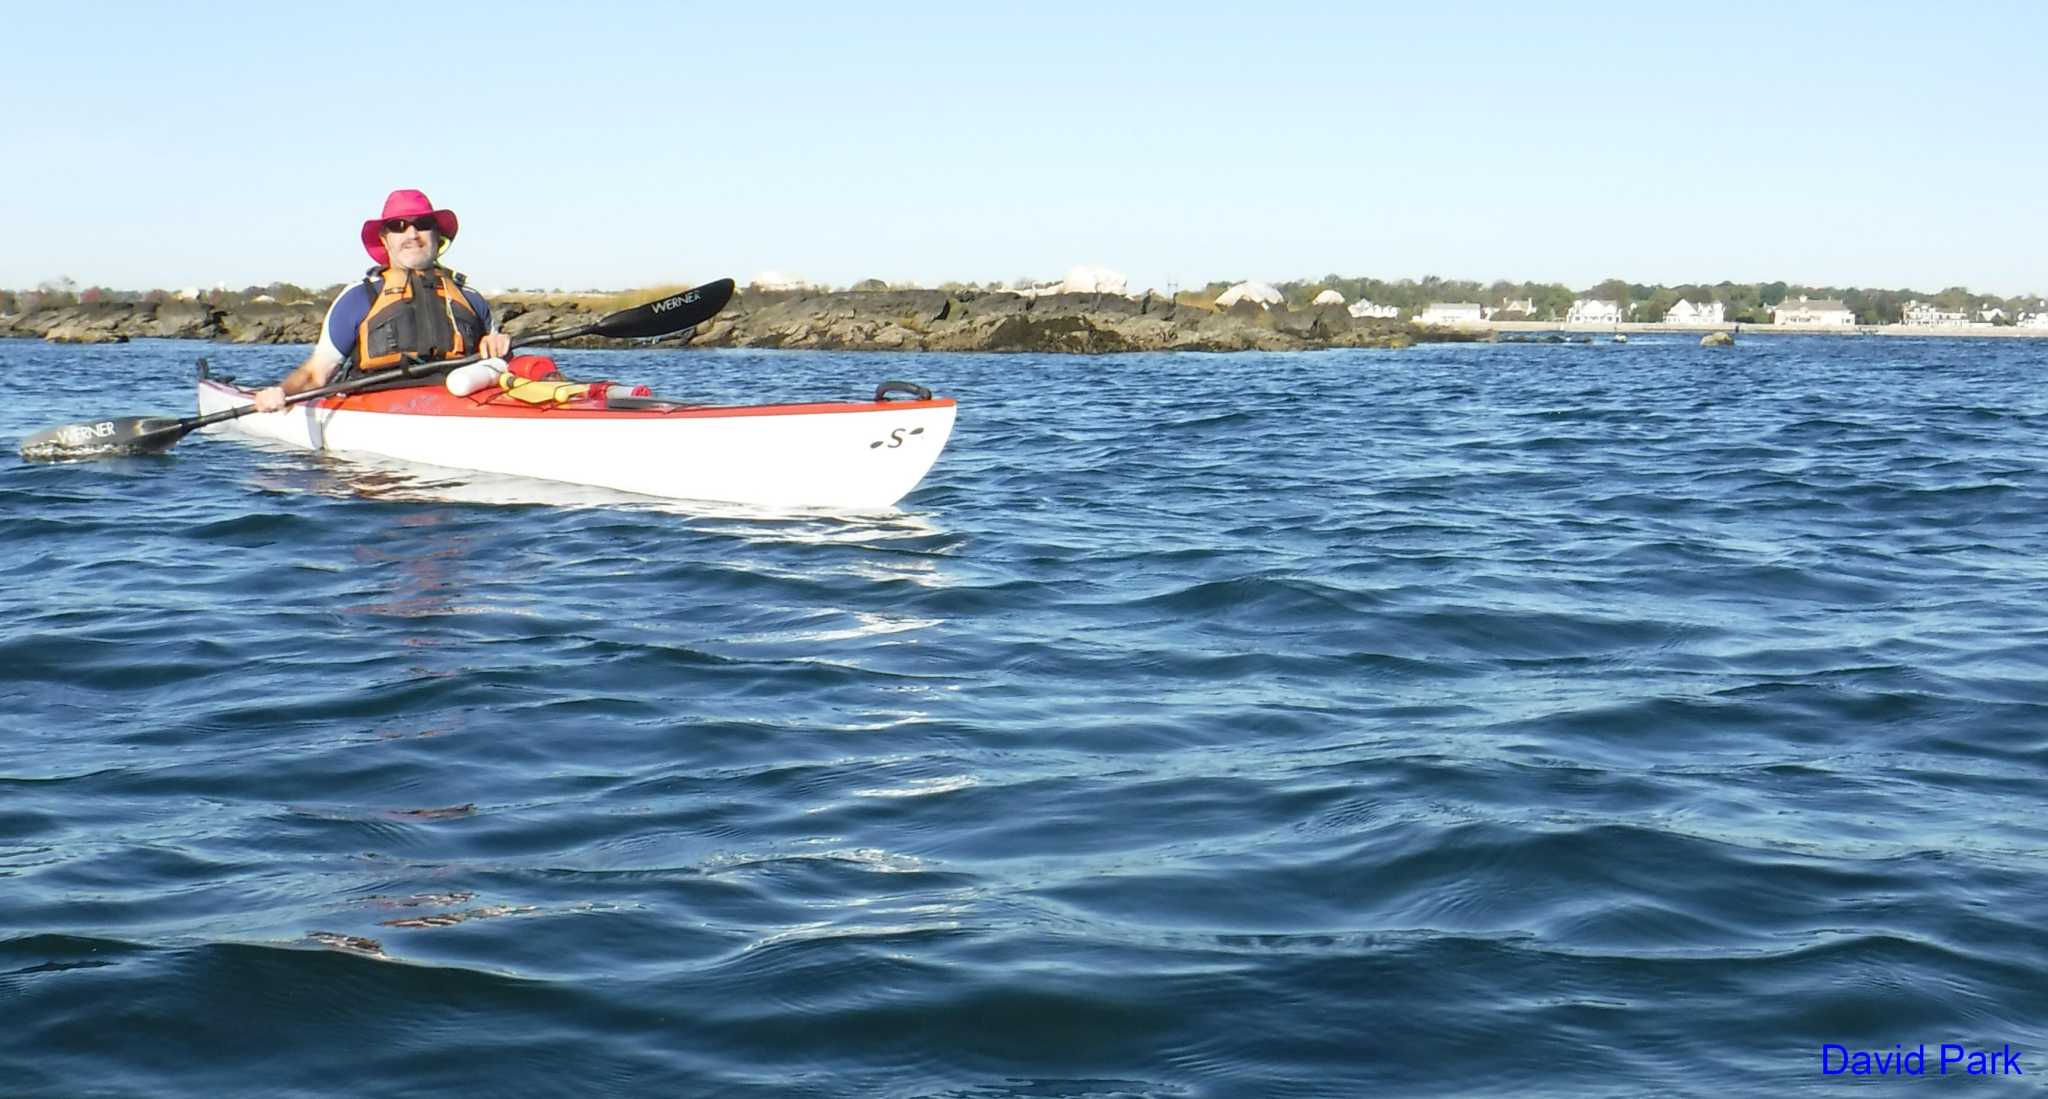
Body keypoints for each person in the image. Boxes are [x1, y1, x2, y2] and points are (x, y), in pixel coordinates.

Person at [251, 189, 511, 413]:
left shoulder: (470, 298)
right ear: (385, 240)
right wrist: (282, 392)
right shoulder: (357, 298)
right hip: (378, 405)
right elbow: (316, 374)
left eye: (422, 224)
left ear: (436, 235)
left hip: (460, 401)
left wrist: (501, 347)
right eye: (399, 226)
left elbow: (501, 364)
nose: (412, 234)